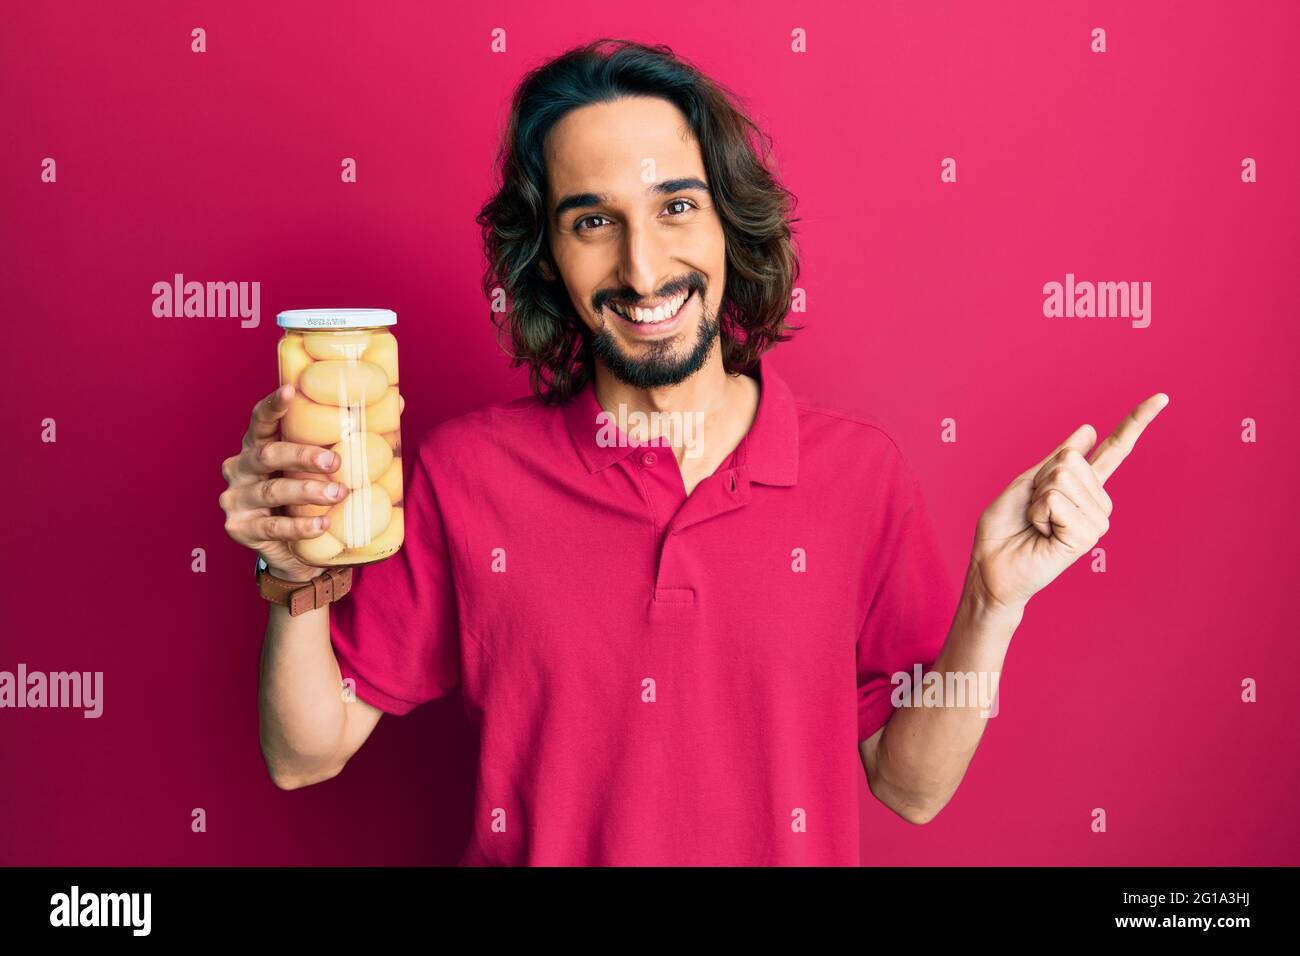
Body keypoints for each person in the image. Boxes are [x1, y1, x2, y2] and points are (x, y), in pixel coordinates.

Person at [219, 38, 1167, 866]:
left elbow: (909, 787)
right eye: (593, 221)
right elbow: (303, 753)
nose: (641, 268)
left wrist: (991, 603)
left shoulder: (860, 475)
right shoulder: (465, 473)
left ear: (728, 222)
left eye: (676, 207)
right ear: (546, 254)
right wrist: (291, 570)